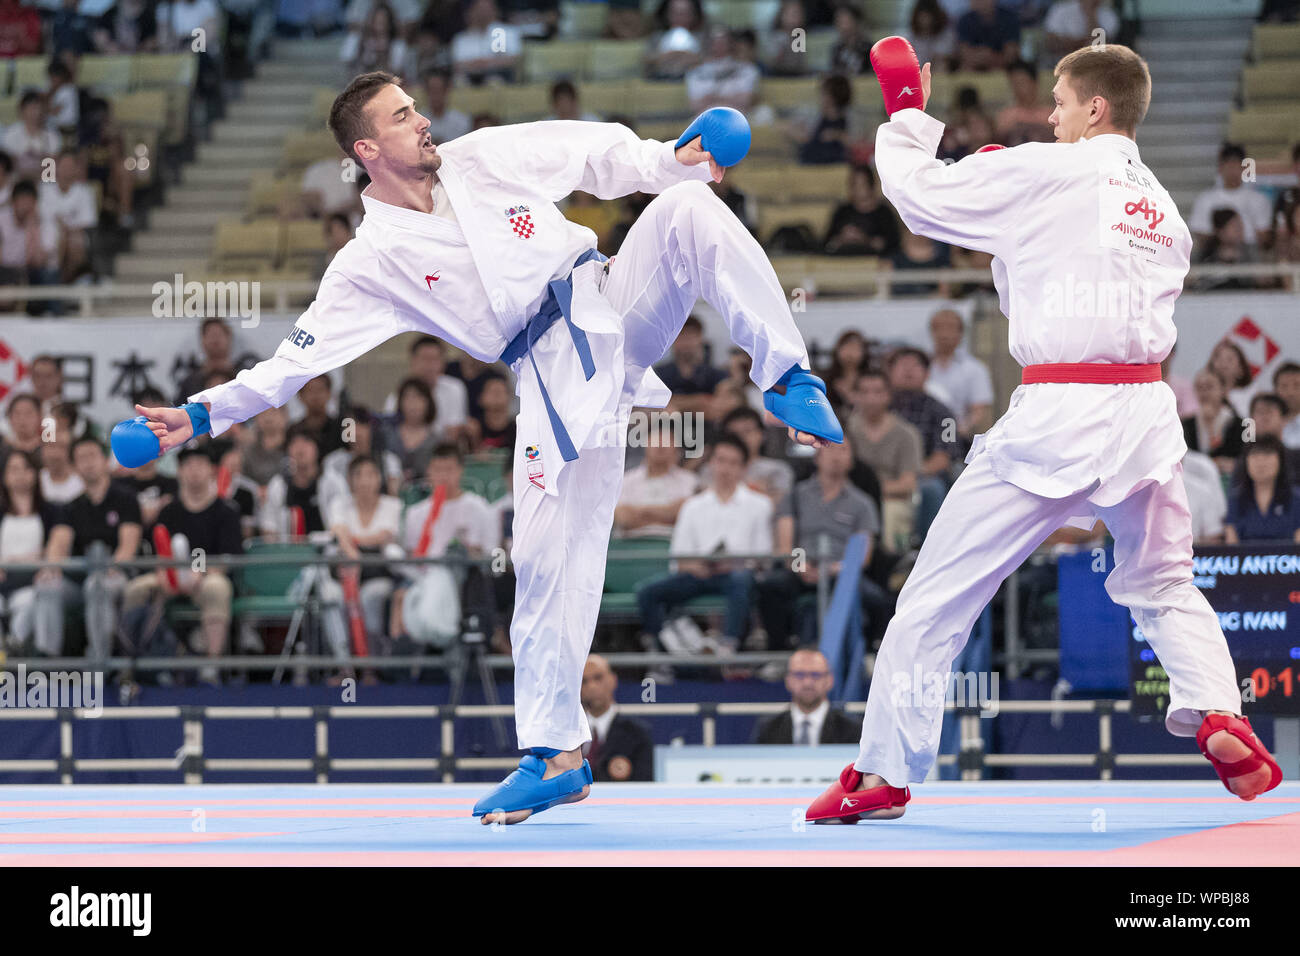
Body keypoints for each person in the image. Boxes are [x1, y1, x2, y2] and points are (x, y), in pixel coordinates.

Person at [130, 71, 825, 826]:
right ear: (368, 148)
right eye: (403, 116)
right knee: (543, 560)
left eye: (417, 108)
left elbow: (589, 153)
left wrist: (669, 161)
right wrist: (202, 415)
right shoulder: (373, 259)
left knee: (689, 208)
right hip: (548, 372)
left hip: (610, 296)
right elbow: (296, 360)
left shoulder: (481, 157)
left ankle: (785, 373)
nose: (424, 121)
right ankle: (557, 755)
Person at [807, 41, 1281, 823]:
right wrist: (1007, 202)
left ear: (1095, 108)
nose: (1050, 117)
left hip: (1060, 413)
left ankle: (882, 774)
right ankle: (1220, 712)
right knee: (1164, 583)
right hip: (1146, 415)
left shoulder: (1053, 168)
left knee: (935, 597)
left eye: (1059, 103)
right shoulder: (1163, 208)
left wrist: (904, 113)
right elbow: (1054, 262)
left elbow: (922, 201)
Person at [636, 435, 773, 655]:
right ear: (711, 463)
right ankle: (659, 655)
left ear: (743, 468)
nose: (725, 469)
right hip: (697, 574)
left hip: (736, 575)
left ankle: (727, 647)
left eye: (733, 463)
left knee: (741, 579)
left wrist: (735, 564)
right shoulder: (692, 505)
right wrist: (693, 566)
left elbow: (763, 556)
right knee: (647, 592)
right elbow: (679, 555)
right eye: (720, 460)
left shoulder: (760, 505)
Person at [121, 446, 242, 683]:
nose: (194, 470)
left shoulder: (226, 511)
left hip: (208, 577)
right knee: (134, 589)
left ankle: (211, 666)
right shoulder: (168, 511)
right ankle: (129, 664)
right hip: (170, 575)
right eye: (188, 464)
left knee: (218, 589)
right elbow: (159, 550)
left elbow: (229, 558)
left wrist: (200, 572)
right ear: (179, 471)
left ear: (212, 470)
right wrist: (167, 574)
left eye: (200, 463)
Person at [760, 440, 882, 649]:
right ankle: (777, 651)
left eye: (843, 450)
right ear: (817, 457)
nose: (836, 456)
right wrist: (801, 567)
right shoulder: (796, 495)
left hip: (841, 571)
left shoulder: (862, 503)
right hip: (800, 568)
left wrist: (833, 569)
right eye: (829, 449)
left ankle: (865, 654)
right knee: (770, 587)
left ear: (852, 460)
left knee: (875, 598)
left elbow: (864, 555)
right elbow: (785, 545)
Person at [37, 436, 142, 660]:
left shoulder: (126, 499)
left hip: (118, 577)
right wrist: (52, 565)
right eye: (81, 458)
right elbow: (59, 541)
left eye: (92, 456)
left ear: (105, 461)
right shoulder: (72, 506)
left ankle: (100, 661)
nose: (88, 463)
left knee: (98, 585)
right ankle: (48, 660)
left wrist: (115, 566)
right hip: (81, 580)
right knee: (47, 585)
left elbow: (128, 545)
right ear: (75, 467)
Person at [845, 369, 923, 551]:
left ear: (888, 396)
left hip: (891, 500)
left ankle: (890, 573)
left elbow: (907, 484)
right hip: (848, 495)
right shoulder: (845, 429)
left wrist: (872, 492)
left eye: (878, 392)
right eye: (864, 392)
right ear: (855, 396)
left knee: (888, 514)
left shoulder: (906, 433)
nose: (871, 399)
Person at [0, 449, 63, 654]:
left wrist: (46, 562)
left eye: (25, 468)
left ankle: (15, 647)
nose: (20, 474)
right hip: (3, 577)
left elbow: (58, 542)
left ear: (35, 474)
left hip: (34, 578)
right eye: (13, 469)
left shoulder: (50, 511)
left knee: (30, 602)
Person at [753, 648, 861, 744]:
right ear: (788, 680)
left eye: (815, 675)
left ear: (829, 680)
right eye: (799, 675)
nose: (807, 683)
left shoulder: (851, 728)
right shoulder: (768, 728)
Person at [613, 422, 697, 539]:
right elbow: (623, 517)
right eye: (656, 439)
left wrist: (640, 512)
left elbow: (685, 515)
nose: (661, 445)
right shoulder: (626, 480)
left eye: (667, 440)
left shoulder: (689, 480)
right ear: (645, 443)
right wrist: (668, 512)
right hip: (631, 544)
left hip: (672, 542)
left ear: (676, 447)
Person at [581, 654, 654, 781]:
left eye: (598, 678)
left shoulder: (637, 733)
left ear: (613, 680)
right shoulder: (567, 734)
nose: (591, 686)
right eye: (584, 681)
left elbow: (645, 785)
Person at [1189, 143, 1274, 251]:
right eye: (1228, 165)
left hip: (1251, 254)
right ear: (1220, 168)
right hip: (1216, 254)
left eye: (1236, 165)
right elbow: (1201, 234)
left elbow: (1264, 236)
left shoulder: (1258, 199)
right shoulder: (1205, 199)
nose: (1232, 170)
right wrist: (1225, 239)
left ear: (1244, 168)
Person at [926, 308, 994, 441]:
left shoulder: (975, 369)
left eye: (950, 328)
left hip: (958, 434)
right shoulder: (921, 366)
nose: (944, 334)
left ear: (961, 333)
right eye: (939, 328)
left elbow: (980, 411)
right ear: (931, 332)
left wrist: (956, 432)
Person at [1224, 436, 1300, 544]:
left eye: (1267, 454)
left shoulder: (1296, 499)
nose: (1260, 461)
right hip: (1246, 560)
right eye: (1254, 454)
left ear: (1281, 460)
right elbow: (1231, 545)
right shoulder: (1236, 499)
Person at [1181, 367, 1244, 474]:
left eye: (1209, 386)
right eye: (1200, 388)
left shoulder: (1242, 425)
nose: (1204, 392)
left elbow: (1247, 461)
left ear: (1223, 390)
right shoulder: (1185, 425)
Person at [420, 69, 471, 145]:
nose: (435, 95)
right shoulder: (417, 122)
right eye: (432, 90)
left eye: (439, 90)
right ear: (426, 92)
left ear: (447, 91)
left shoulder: (462, 122)